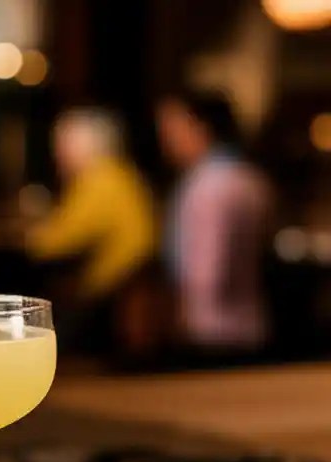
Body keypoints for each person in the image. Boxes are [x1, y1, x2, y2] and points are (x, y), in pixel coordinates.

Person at [27, 108, 157, 351]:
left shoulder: (100, 180)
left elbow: (54, 244)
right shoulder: (121, 174)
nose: (57, 157)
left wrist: (27, 233)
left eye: (62, 147)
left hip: (107, 299)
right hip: (119, 289)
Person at [157, 90, 272, 356]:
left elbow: (207, 273)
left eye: (173, 127)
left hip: (209, 329)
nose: (166, 139)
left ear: (201, 127)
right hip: (252, 321)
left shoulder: (205, 186)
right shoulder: (251, 178)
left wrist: (180, 319)